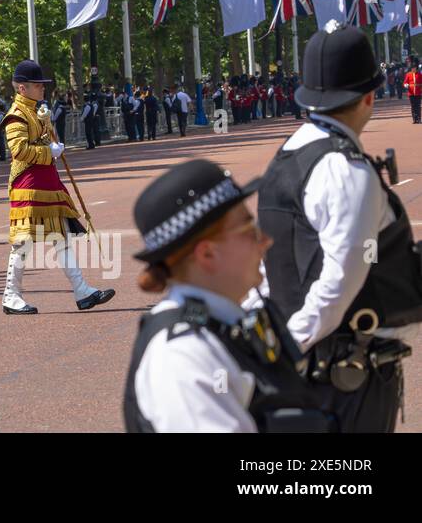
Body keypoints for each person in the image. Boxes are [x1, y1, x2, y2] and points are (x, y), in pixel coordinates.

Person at [256, 22, 422, 432]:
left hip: (307, 358)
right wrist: (288, 348)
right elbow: (341, 279)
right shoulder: (347, 169)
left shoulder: (288, 154)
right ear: (370, 96)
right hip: (341, 370)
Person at [125, 160, 331, 432]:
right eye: (249, 231)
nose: (265, 241)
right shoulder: (184, 354)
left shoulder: (220, 323)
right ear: (207, 253)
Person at [0, 60, 114, 316]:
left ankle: (82, 290)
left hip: (46, 183)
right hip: (28, 185)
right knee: (23, 242)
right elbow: (19, 151)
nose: (42, 89)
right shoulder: (16, 115)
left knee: (60, 238)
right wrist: (47, 151)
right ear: (22, 88)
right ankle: (11, 295)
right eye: (37, 85)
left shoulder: (37, 110)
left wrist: (52, 143)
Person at [404, 57, 422, 124]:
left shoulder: (420, 75)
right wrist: (406, 85)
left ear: (416, 68)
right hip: (411, 93)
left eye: (414, 68)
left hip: (418, 93)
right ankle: (414, 119)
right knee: (413, 106)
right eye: (412, 68)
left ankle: (419, 118)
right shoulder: (408, 75)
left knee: (418, 106)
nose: (413, 69)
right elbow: (405, 82)